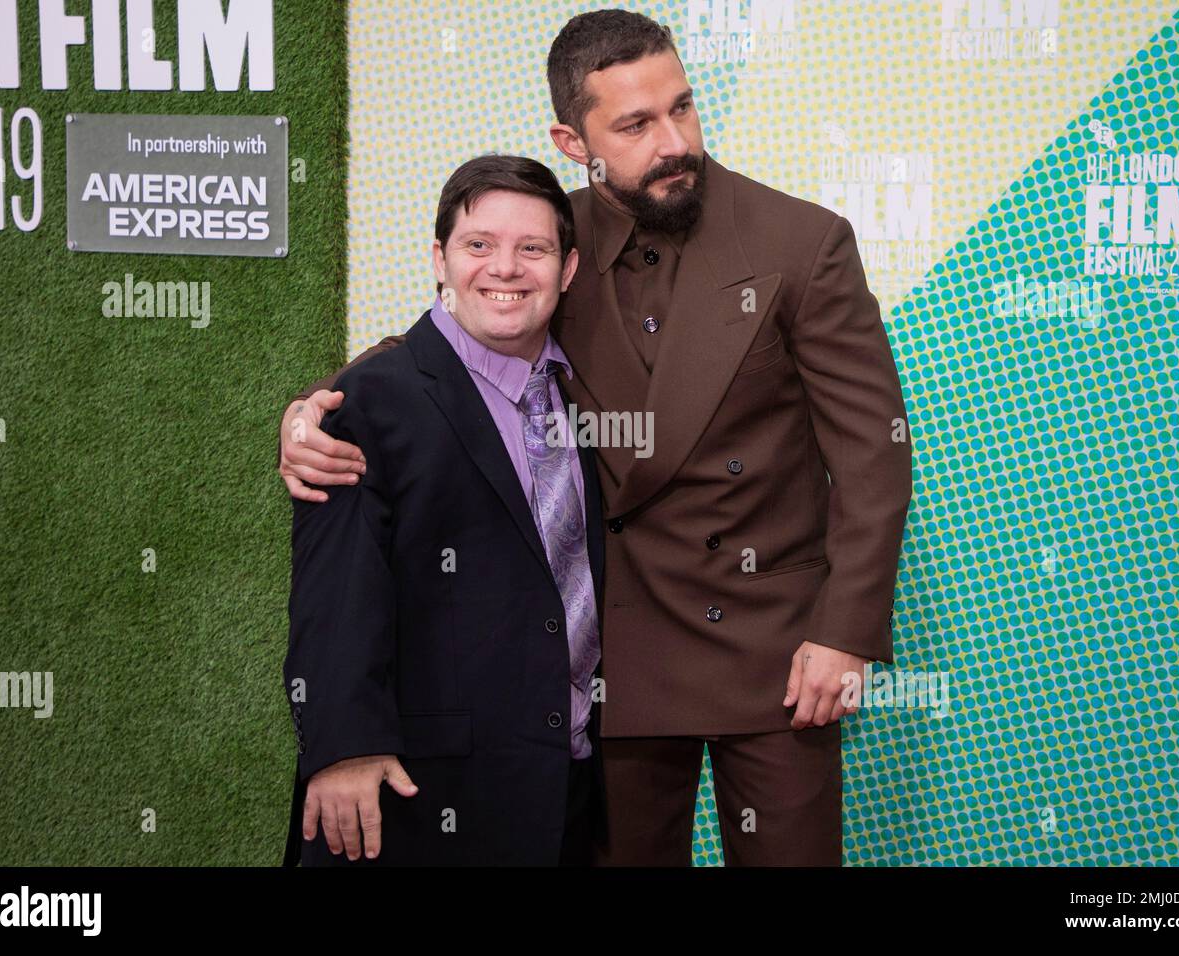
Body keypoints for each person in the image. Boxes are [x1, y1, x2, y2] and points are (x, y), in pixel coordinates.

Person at [280, 10, 912, 866]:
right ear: (572, 140)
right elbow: (448, 342)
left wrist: (845, 632)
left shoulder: (801, 243)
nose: (674, 141)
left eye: (682, 108)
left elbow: (874, 453)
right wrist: (320, 406)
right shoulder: (547, 245)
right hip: (614, 656)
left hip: (777, 649)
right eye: (636, 125)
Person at [282, 154, 604, 866]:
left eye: (534, 249)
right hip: (417, 795)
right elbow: (335, 591)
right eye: (479, 245)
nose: (506, 268)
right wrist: (344, 748)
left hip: (561, 789)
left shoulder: (578, 398)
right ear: (439, 258)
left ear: (569, 267)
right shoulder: (369, 400)